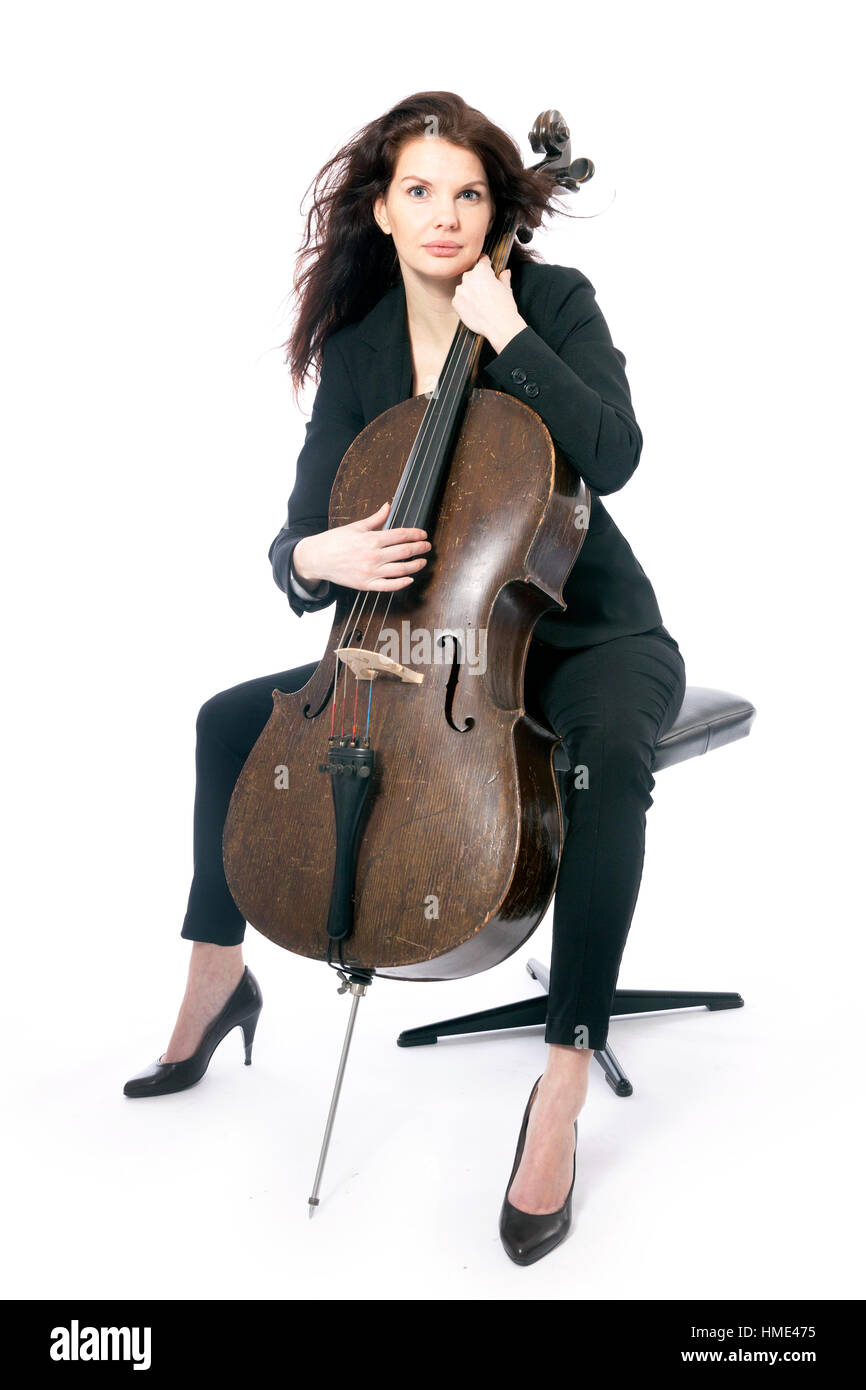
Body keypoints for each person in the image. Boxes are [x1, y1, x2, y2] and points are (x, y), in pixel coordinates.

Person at [123, 91, 686, 1267]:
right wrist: (313, 556)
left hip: (586, 633)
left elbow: (615, 455)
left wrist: (513, 337)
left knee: (605, 763)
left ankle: (562, 1080)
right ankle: (216, 977)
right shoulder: (363, 345)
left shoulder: (553, 304)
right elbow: (296, 536)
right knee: (232, 720)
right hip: (432, 642)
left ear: (498, 208)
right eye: (419, 191)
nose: (444, 215)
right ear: (380, 209)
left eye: (469, 192)